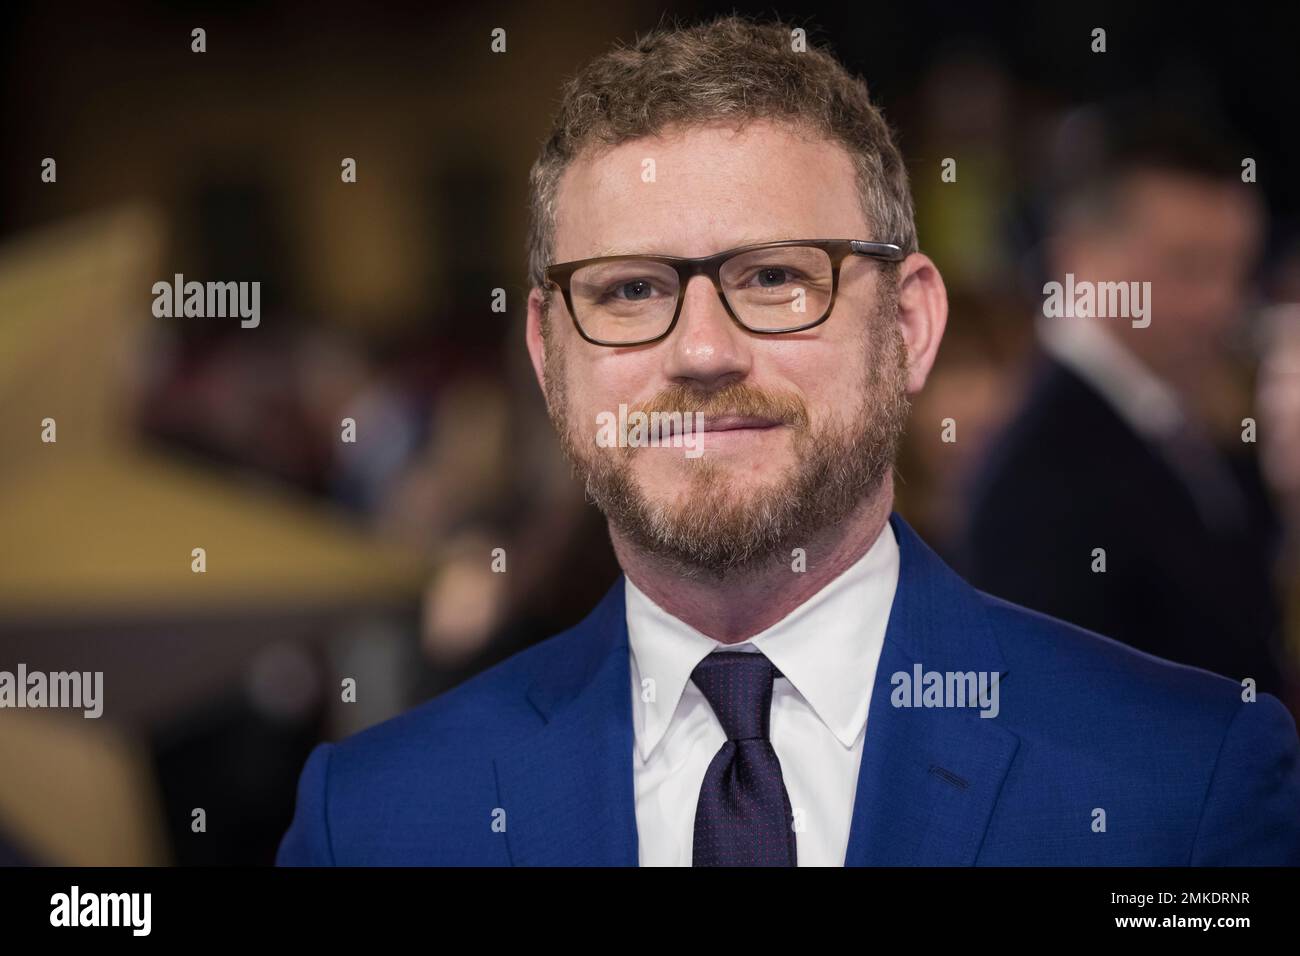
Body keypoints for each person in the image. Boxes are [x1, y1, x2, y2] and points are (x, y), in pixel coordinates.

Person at [278, 16, 1300, 866]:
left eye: (774, 277)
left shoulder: (1184, 782)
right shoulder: (373, 819)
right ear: (549, 353)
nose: (703, 349)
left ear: (907, 326)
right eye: (630, 290)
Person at [956, 101, 1295, 706]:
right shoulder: (1037, 475)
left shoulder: (1175, 417)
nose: (1222, 303)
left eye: (1237, 269)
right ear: (1081, 259)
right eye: (1189, 267)